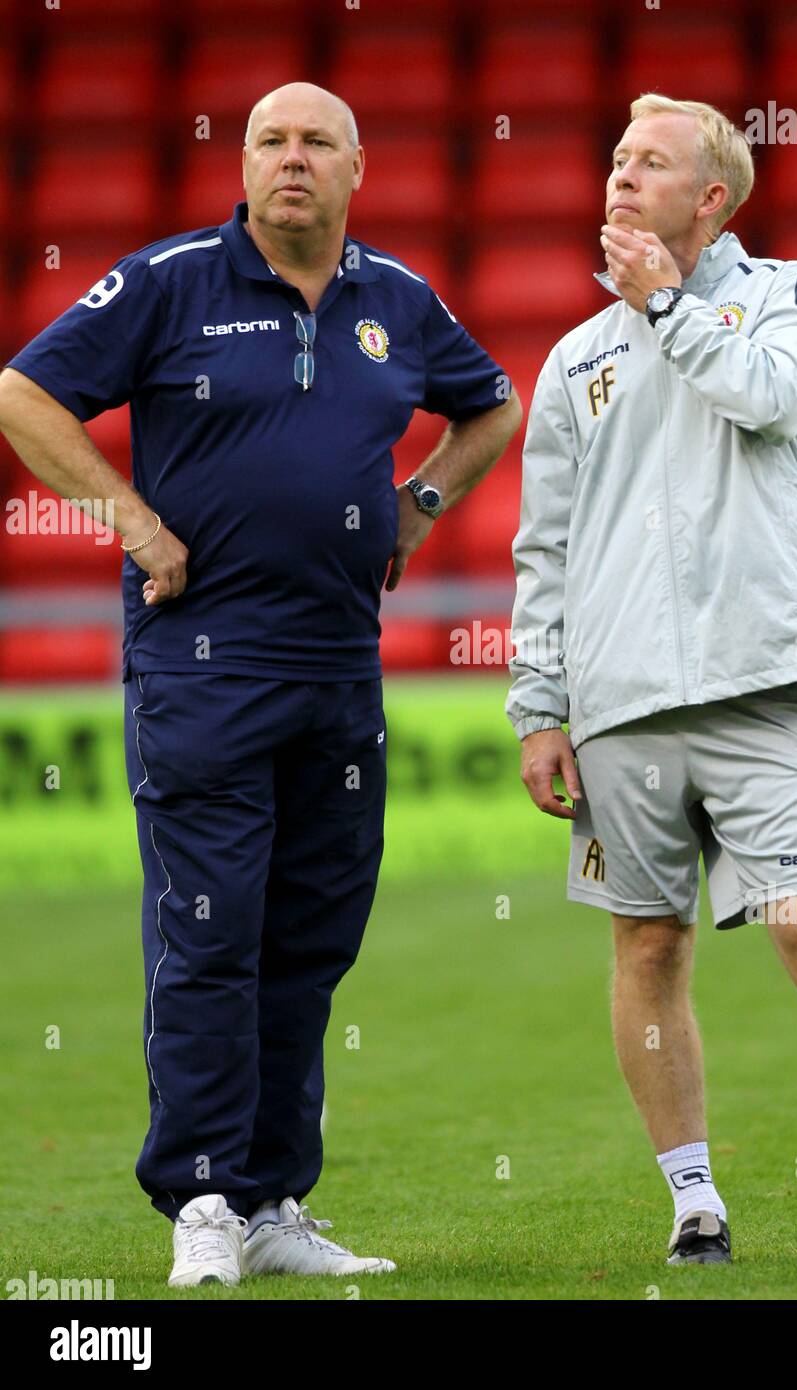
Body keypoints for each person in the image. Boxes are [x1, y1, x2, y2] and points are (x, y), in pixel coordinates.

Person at [0, 82, 521, 1287]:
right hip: (201, 669)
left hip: (338, 671)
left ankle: (277, 1200)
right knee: (208, 934)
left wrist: (417, 506)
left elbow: (491, 406)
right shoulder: (170, 280)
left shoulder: (398, 298)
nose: (294, 160)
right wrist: (128, 516)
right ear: (242, 167)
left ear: (356, 169)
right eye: (272, 142)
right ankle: (201, 1202)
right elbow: (23, 392)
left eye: (317, 143)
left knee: (309, 940)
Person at [507, 94, 797, 1267]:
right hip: (619, 705)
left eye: (650, 163)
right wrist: (538, 703)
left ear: (710, 198)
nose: (620, 178)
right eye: (616, 159)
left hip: (759, 685)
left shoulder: (788, 294)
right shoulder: (575, 357)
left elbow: (770, 396)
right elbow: (546, 546)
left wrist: (664, 302)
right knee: (650, 950)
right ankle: (696, 1211)